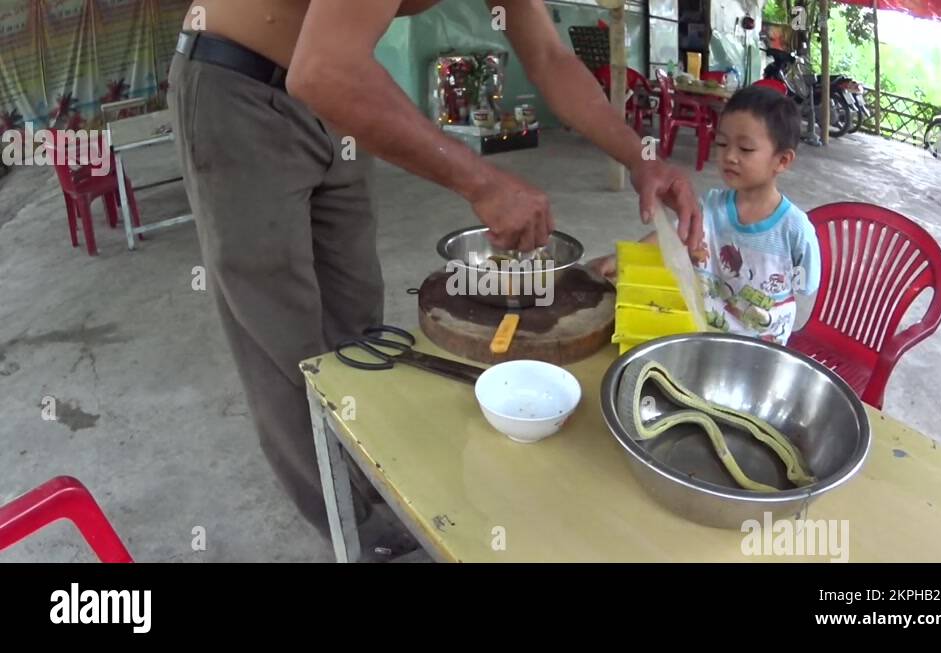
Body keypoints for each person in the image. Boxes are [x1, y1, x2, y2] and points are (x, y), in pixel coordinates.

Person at [166, 0, 704, 538]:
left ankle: (374, 481)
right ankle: (360, 532)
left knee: (355, 317)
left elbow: (547, 54)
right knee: (284, 339)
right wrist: (483, 183)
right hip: (237, 84)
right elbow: (325, 69)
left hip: (332, 96)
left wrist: (641, 157)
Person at [591, 86, 820, 345]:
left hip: (763, 350)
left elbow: (806, 284)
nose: (729, 156)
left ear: (782, 161)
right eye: (722, 143)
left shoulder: (795, 229)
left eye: (745, 149)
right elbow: (674, 237)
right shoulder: (711, 207)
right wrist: (620, 259)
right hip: (706, 336)